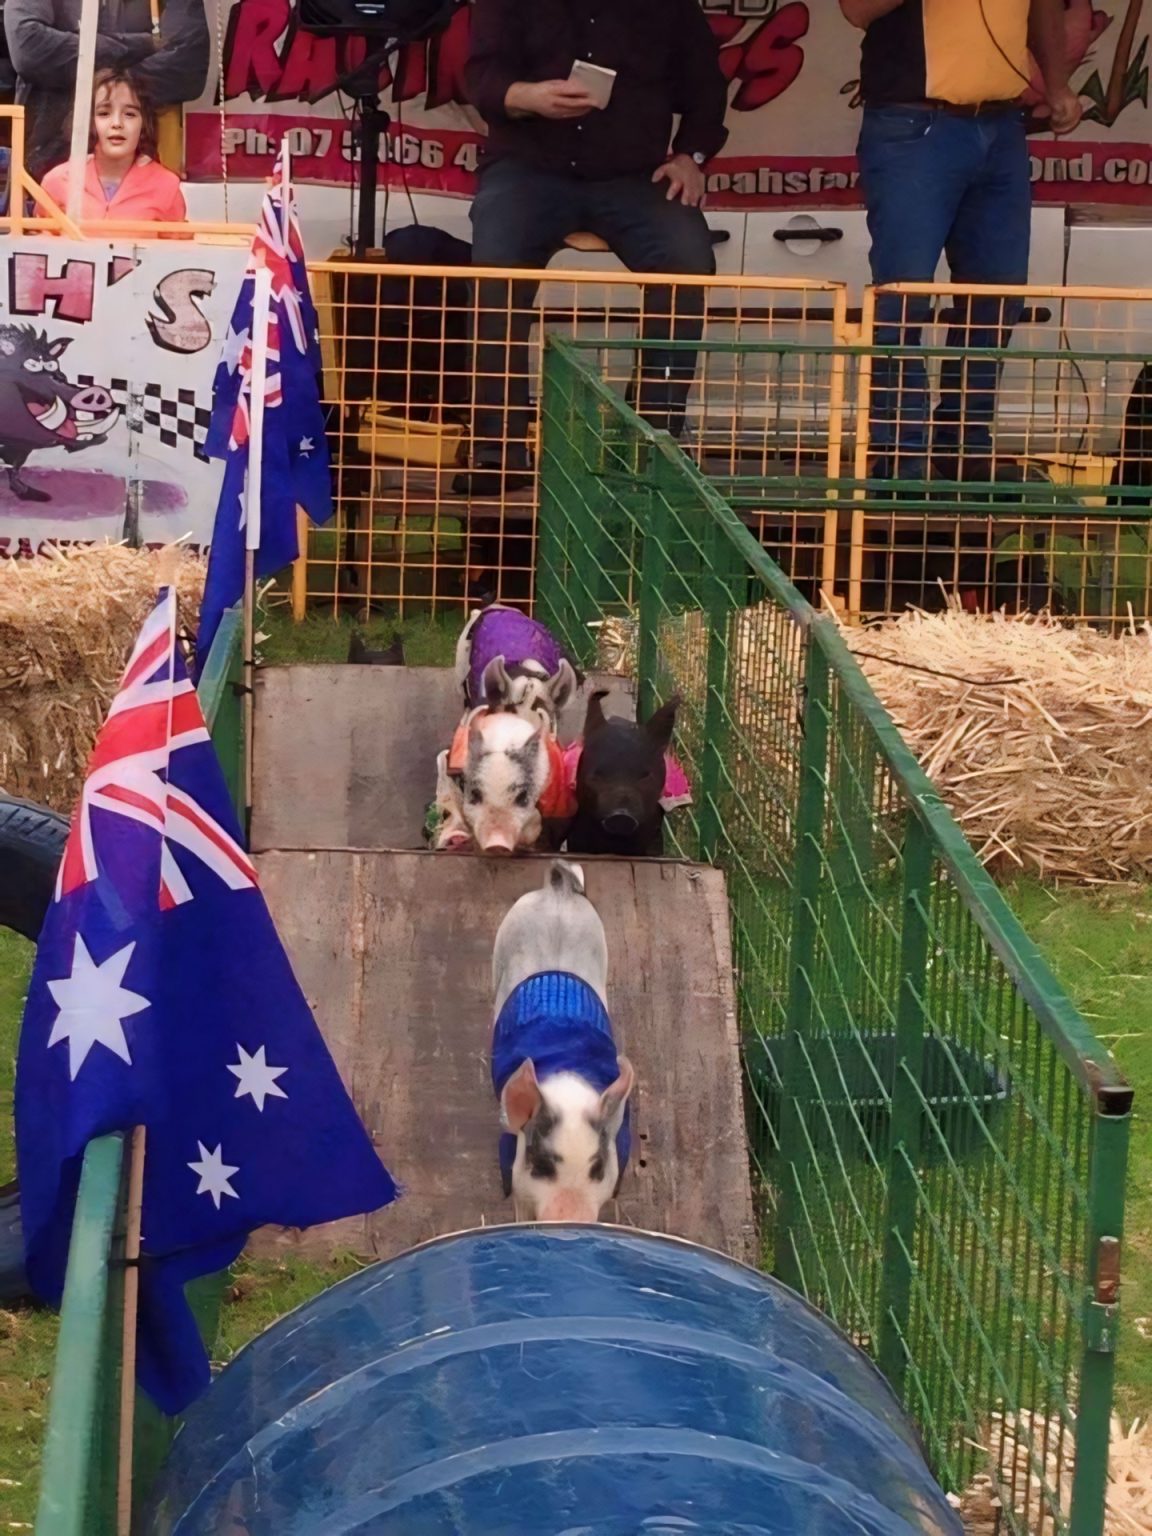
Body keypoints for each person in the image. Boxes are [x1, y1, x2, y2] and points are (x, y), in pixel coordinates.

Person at [458, 0, 729, 498]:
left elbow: (707, 90)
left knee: (688, 258)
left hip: (632, 175)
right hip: (528, 167)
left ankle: (650, 440)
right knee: (495, 265)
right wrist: (527, 96)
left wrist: (690, 156)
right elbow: (479, 76)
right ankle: (498, 447)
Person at [840, 0, 1082, 482]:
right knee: (903, 295)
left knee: (997, 294)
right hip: (915, 123)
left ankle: (964, 448)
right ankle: (900, 458)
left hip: (1000, 126)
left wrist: (1056, 84)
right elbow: (856, 10)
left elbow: (1044, 9)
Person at [6, 0, 208, 184]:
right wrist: (141, 46)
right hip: (48, 165)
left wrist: (95, 78)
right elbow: (29, 47)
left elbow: (187, 65)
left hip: (145, 173)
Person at [38, 68, 185, 223]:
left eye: (129, 114)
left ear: (144, 124)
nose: (117, 124)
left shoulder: (167, 187)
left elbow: (177, 245)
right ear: (88, 121)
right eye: (104, 113)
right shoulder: (56, 181)